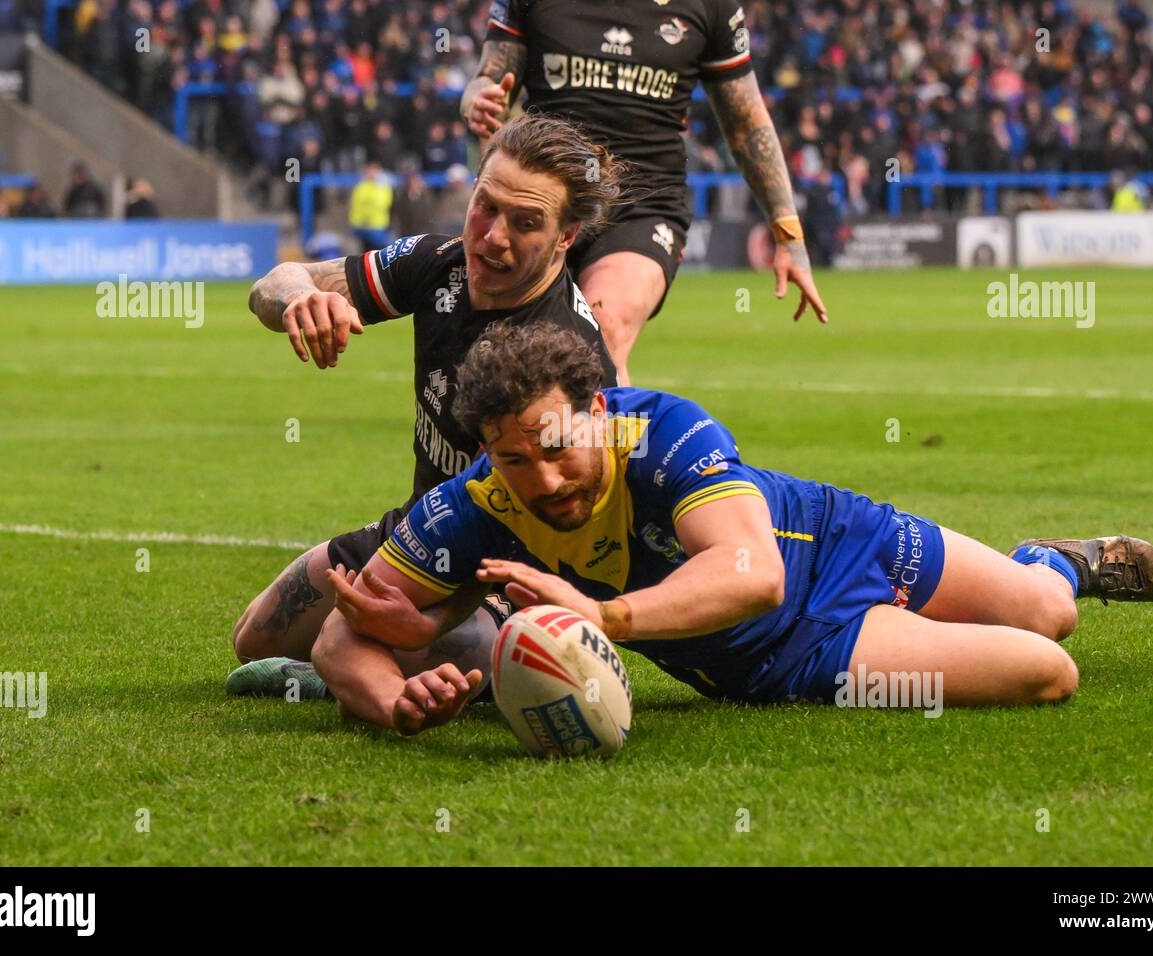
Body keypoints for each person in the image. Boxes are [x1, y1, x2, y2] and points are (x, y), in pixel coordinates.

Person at [314, 321, 1153, 734]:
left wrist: (603, 616)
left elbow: (751, 573)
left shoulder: (661, 430)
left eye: (557, 446)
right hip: (791, 658)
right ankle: (1016, 592)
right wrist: (391, 694)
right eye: (512, 460)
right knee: (1047, 671)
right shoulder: (472, 508)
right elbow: (338, 640)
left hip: (839, 536)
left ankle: (1059, 564)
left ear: (598, 408)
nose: (543, 480)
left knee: (1047, 611)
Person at [227, 114, 622, 698]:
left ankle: (392, 672)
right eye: (485, 206)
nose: (492, 237)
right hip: (416, 531)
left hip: (506, 572)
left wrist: (449, 612)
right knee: (253, 638)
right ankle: (348, 670)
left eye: (526, 222)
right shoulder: (441, 264)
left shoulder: (564, 354)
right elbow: (273, 282)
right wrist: (300, 299)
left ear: (566, 237)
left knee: (479, 656)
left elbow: (577, 524)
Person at [461, 0, 830, 383]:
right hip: (544, 202)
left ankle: (602, 441)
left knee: (602, 330)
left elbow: (747, 125)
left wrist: (788, 234)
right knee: (507, 352)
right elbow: (488, 79)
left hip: (644, 204)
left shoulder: (711, 7)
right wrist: (476, 100)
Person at [348, 161, 394, 250]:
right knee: (364, 252)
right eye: (369, 171)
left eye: (374, 171)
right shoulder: (360, 186)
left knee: (376, 252)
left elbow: (382, 203)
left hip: (376, 226)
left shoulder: (383, 187)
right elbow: (355, 203)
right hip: (361, 225)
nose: (371, 174)